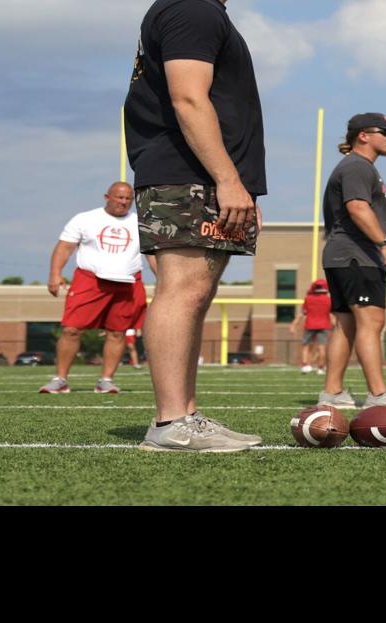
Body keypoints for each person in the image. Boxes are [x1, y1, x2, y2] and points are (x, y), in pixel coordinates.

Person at [126, 0, 267, 451]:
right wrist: (228, 180)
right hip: (187, 173)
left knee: (195, 294)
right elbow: (188, 98)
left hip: (200, 175)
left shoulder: (199, 11)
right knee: (183, 290)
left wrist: (240, 185)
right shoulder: (192, 8)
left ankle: (184, 415)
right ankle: (171, 421)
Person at [314, 112, 386, 411]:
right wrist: (384, 245)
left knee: (346, 325)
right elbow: (358, 209)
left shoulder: (359, 168)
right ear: (363, 135)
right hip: (356, 256)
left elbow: (360, 209)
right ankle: (378, 393)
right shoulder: (357, 166)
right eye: (385, 132)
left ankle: (332, 392)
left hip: (342, 255)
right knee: (371, 322)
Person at [40, 182, 156, 394]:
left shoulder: (141, 222)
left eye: (128, 198)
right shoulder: (85, 219)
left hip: (128, 282)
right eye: (120, 197)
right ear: (107, 197)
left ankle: (106, 380)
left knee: (118, 333)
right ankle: (60, 379)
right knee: (71, 329)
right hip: (90, 280)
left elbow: (152, 255)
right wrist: (55, 274)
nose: (124, 202)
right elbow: (65, 247)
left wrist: (164, 281)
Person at [290, 279, 331, 373]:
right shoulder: (328, 300)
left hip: (310, 325)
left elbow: (303, 313)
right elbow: (332, 314)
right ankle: (320, 368)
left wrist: (294, 325)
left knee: (306, 346)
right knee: (322, 347)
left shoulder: (308, 299)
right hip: (324, 325)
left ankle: (305, 365)